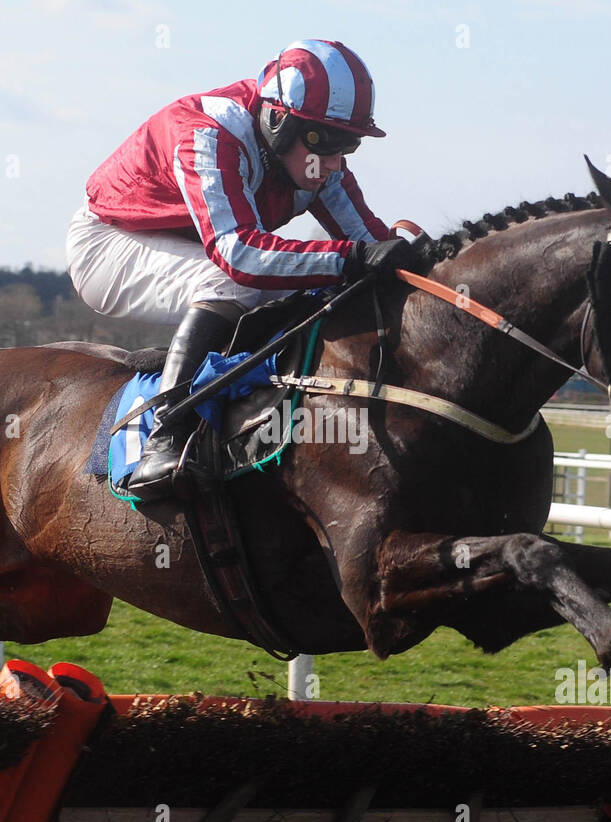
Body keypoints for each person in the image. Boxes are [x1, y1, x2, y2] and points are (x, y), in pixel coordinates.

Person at [66, 39, 424, 499]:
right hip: (109, 242)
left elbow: (371, 245)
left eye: (348, 144)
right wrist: (350, 258)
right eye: (323, 141)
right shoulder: (208, 132)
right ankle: (165, 433)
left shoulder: (318, 164)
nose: (333, 162)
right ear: (278, 120)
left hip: (198, 249)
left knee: (321, 289)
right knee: (234, 279)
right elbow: (238, 254)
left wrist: (412, 257)